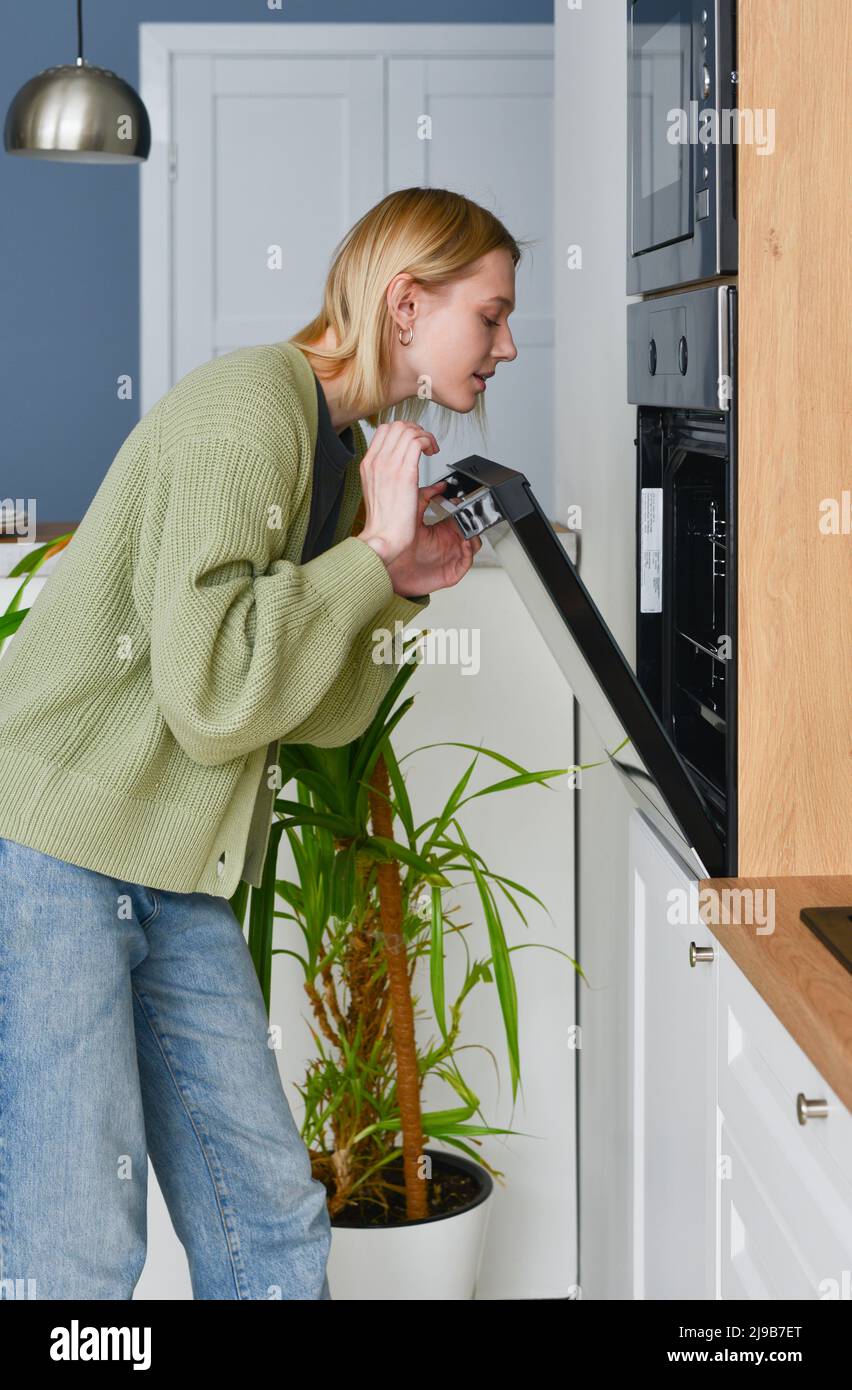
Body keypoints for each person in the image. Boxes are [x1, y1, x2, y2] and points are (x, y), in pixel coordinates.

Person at [0, 186, 521, 1301]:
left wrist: (392, 584)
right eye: (491, 315)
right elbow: (211, 699)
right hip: (52, 857)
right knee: (77, 1251)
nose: (507, 344)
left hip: (171, 869)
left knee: (272, 1219)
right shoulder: (251, 413)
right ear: (406, 303)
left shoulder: (339, 445)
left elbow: (311, 715)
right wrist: (366, 555)